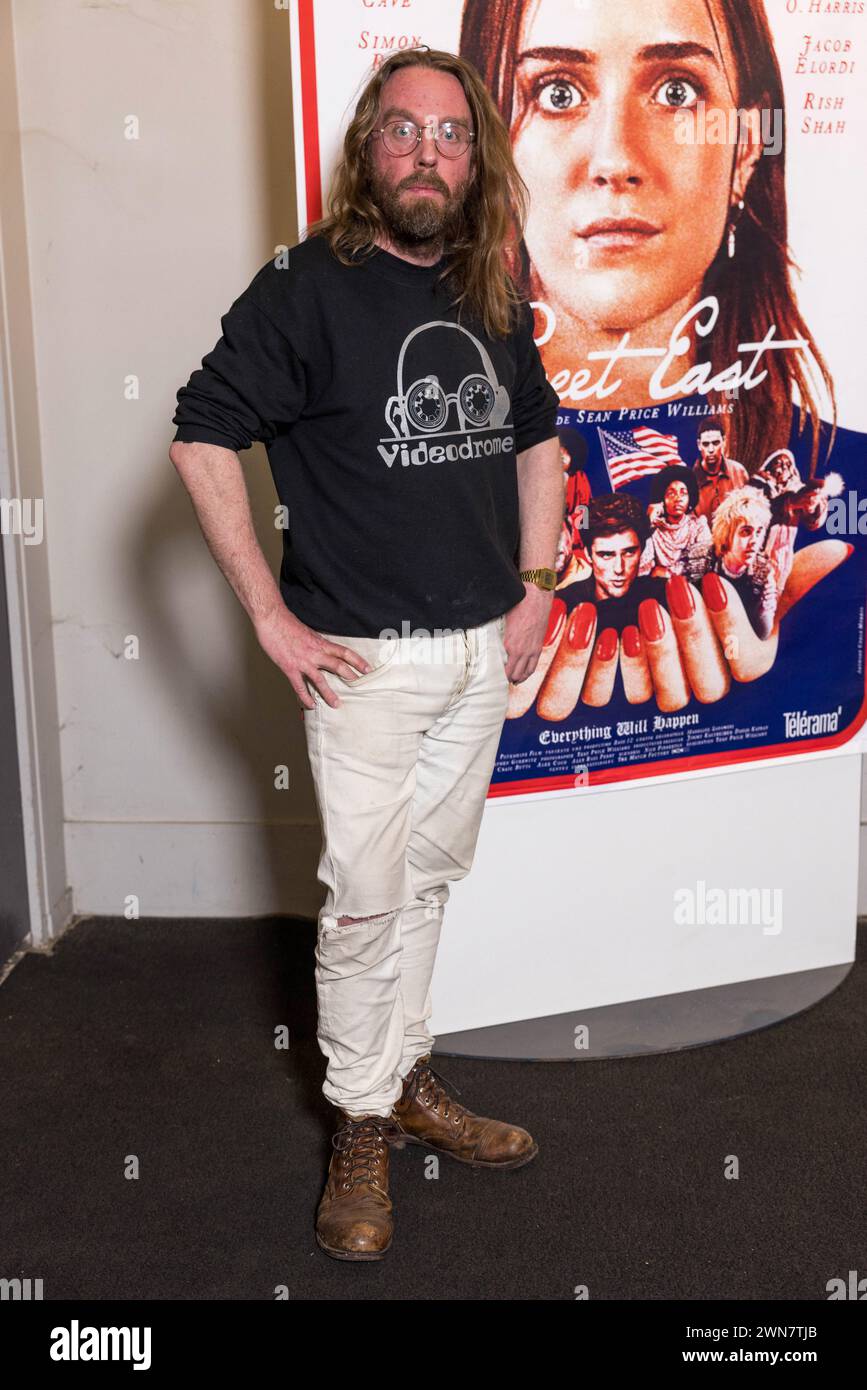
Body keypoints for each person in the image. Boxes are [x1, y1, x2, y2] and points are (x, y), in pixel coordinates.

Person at [168, 48, 563, 1262]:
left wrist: (537, 587)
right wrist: (268, 620)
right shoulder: (303, 289)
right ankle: (357, 1123)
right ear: (367, 149)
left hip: (478, 652)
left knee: (430, 881)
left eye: (450, 134)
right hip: (362, 665)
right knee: (362, 902)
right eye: (403, 131)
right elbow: (200, 437)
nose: (427, 154)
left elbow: (539, 443)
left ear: (475, 158)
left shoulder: (491, 283)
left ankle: (407, 1078)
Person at [460, 0, 836, 473]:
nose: (615, 162)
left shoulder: (835, 479)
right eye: (557, 92)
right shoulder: (422, 475)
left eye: (677, 92)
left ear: (747, 144)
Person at [684, 486, 778, 639]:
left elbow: (763, 634)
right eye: (746, 531)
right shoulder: (697, 559)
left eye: (759, 532)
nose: (754, 541)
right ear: (727, 534)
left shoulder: (763, 571)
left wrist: (766, 607)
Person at [639, 464, 711, 577]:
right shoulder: (654, 531)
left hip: (694, 589)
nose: (677, 498)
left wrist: (665, 572)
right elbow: (642, 571)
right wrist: (647, 524)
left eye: (683, 493)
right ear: (662, 499)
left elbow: (701, 567)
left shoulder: (698, 526)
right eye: (671, 493)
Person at [692, 418, 748, 521]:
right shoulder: (690, 481)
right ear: (699, 445)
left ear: (724, 441)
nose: (711, 450)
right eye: (706, 444)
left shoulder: (739, 472)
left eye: (716, 443)